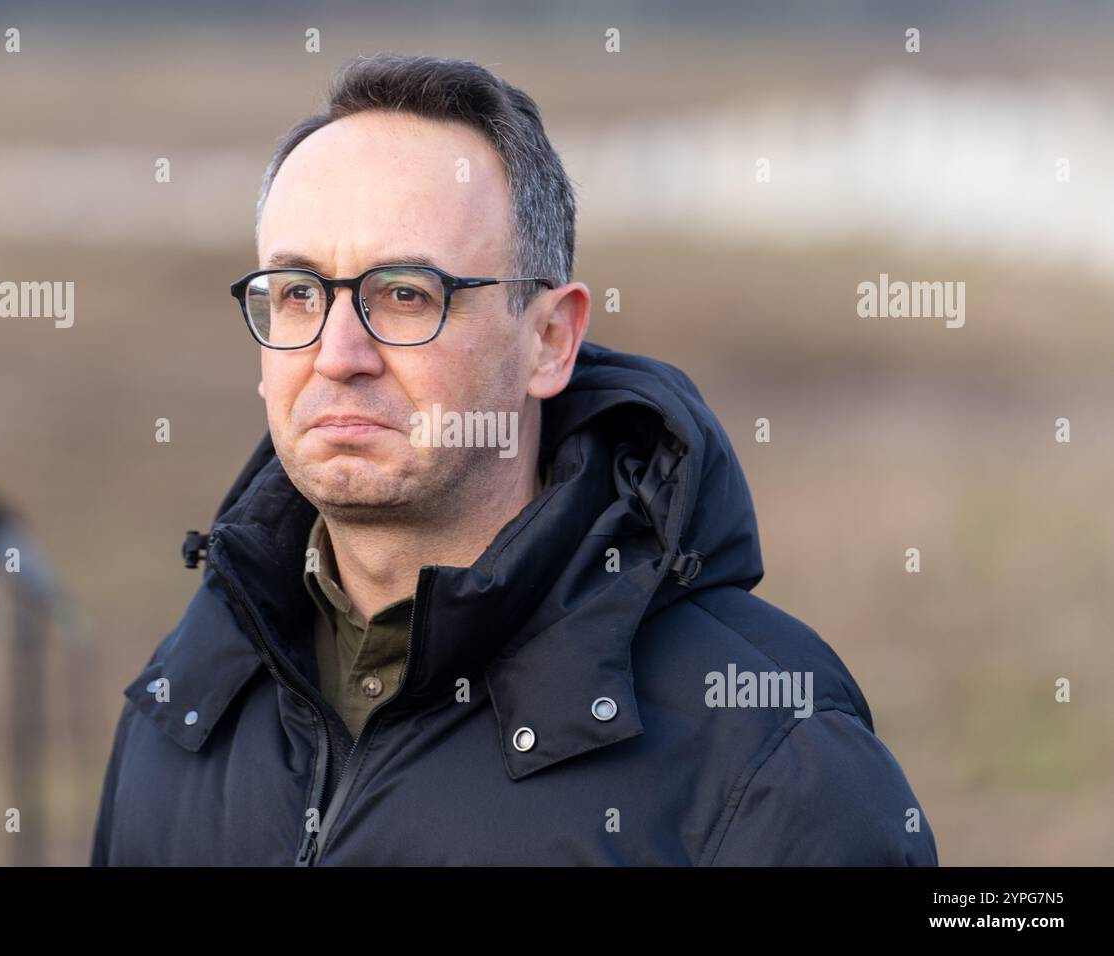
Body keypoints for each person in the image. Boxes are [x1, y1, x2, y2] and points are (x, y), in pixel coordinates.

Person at [90, 53, 938, 866]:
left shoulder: (769, 761)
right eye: (299, 294)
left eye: (406, 294)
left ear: (549, 340)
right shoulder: (187, 705)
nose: (338, 351)